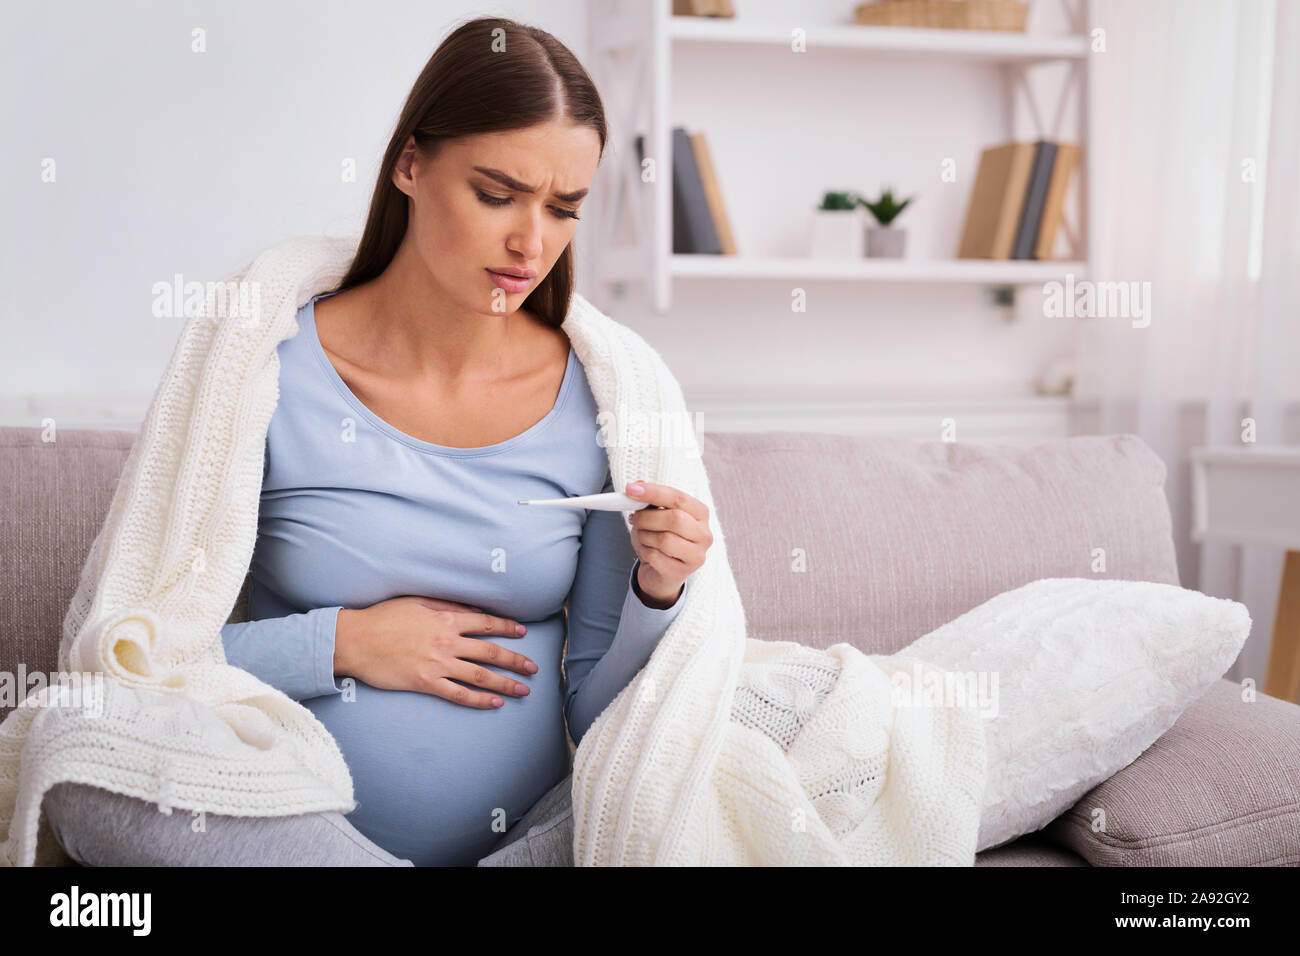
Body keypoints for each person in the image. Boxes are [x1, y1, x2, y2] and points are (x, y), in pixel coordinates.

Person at [42, 15, 713, 867]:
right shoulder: (264, 358)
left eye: (563, 209)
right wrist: (342, 643)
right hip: (275, 815)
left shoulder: (606, 400)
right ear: (409, 164)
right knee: (82, 749)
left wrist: (660, 593)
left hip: (527, 843)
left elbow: (606, 721)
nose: (529, 243)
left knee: (700, 785)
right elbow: (142, 654)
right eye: (496, 193)